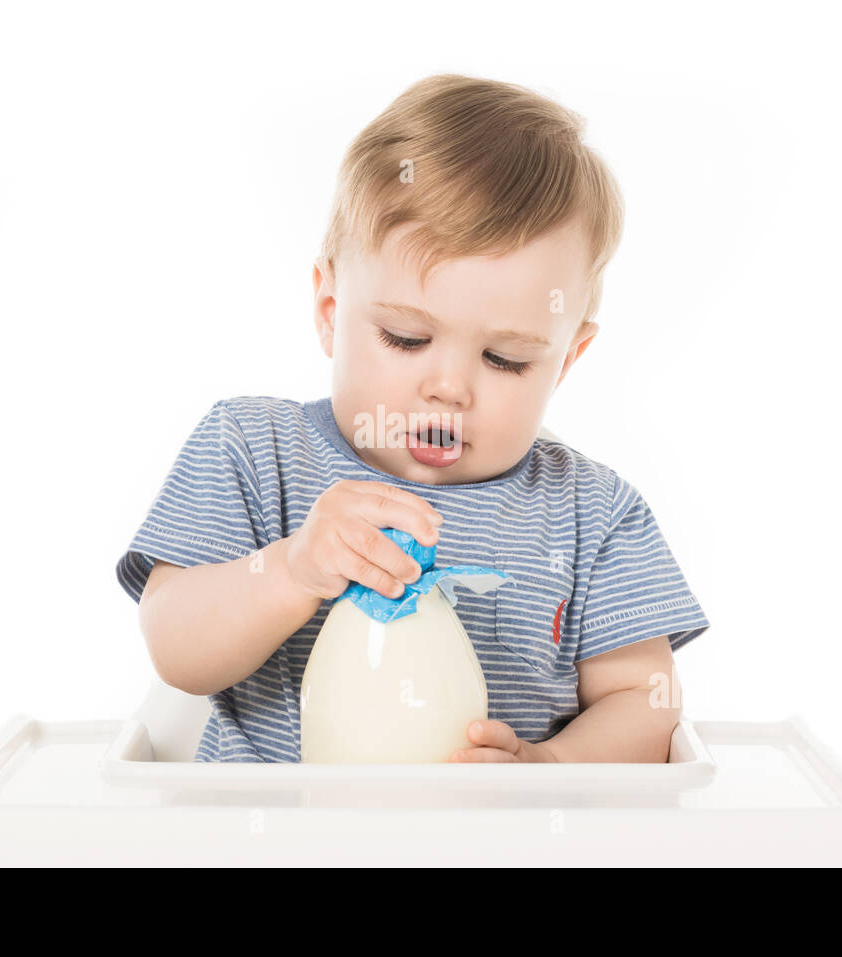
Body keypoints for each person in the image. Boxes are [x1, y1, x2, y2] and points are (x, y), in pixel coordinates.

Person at [116, 73, 710, 762]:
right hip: (278, 842)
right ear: (331, 312)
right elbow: (174, 642)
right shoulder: (254, 451)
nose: (449, 387)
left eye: (505, 358)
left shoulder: (592, 513)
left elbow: (647, 701)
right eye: (405, 339)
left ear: (567, 358)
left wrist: (548, 767)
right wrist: (291, 571)